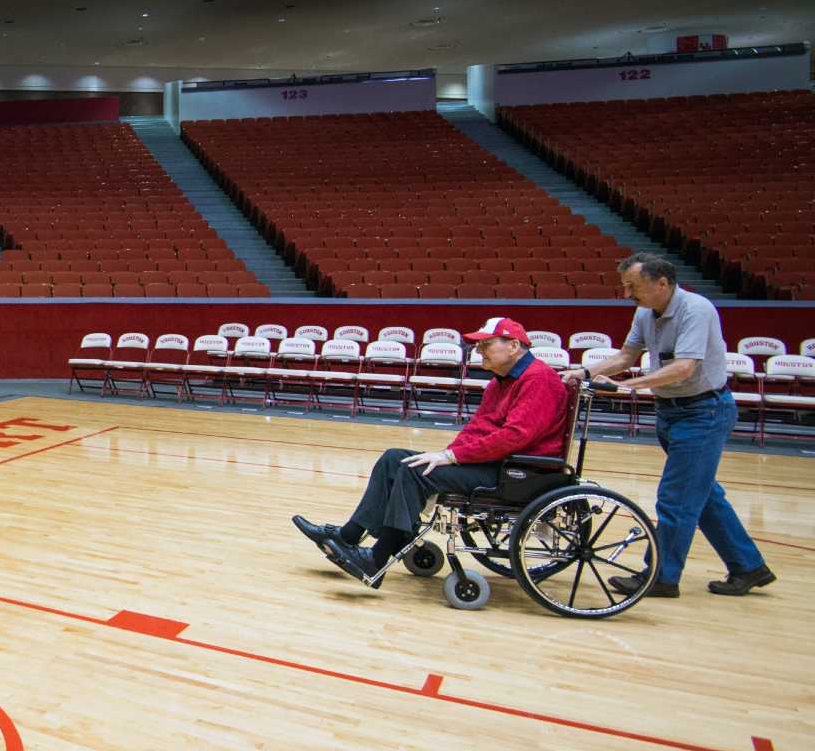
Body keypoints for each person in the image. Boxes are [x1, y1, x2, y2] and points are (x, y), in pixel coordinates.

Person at [294, 317, 570, 588]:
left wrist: (452, 458)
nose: (478, 351)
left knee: (415, 471)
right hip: (497, 462)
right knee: (394, 459)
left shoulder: (538, 379)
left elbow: (515, 437)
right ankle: (348, 536)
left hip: (518, 472)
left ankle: (377, 558)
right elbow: (478, 428)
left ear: (513, 346)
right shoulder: (502, 380)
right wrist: (447, 454)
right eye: (478, 345)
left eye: (486, 344)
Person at [568, 253, 775, 598]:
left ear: (661, 283)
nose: (627, 294)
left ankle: (662, 577)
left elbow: (684, 368)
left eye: (633, 286)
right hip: (671, 411)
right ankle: (748, 566)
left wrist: (628, 386)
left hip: (704, 412)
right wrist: (584, 372)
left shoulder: (696, 309)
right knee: (703, 495)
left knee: (676, 498)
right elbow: (625, 356)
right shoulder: (644, 312)